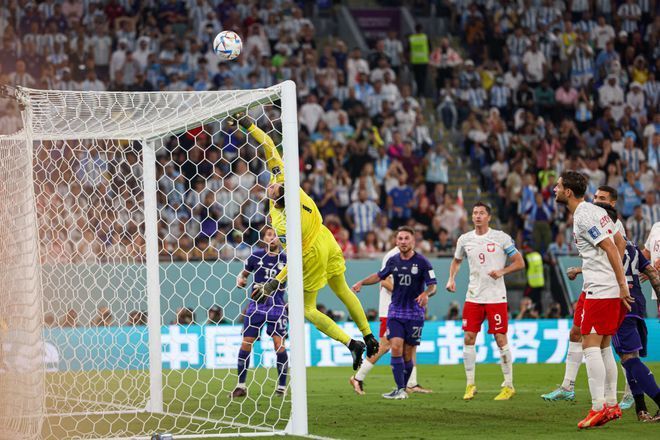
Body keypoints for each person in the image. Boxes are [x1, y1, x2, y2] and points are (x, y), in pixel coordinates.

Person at [234, 114, 379, 370]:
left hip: (310, 251)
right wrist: (249, 125)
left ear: (279, 201)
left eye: (275, 189)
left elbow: (295, 256)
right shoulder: (285, 180)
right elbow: (268, 144)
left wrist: (274, 282)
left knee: (307, 308)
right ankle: (368, 335)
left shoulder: (286, 223)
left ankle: (352, 343)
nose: (272, 186)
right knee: (341, 288)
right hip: (326, 237)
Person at [553, 171, 632, 429]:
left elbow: (610, 246)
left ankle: (598, 407)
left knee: (589, 345)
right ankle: (611, 404)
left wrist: (621, 284)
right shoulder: (596, 211)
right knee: (604, 346)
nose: (554, 189)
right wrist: (616, 278)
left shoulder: (583, 215)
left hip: (601, 289)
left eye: (558, 186)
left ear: (568, 192)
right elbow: (619, 241)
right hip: (603, 286)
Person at [446, 202, 525, 401]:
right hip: (473, 296)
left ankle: (509, 385)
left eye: (482, 213)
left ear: (489, 217)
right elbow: (457, 261)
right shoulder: (465, 239)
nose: (478, 216)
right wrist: (451, 278)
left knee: (500, 338)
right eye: (475, 213)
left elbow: (519, 262)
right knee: (468, 338)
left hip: (496, 297)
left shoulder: (501, 237)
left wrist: (502, 271)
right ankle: (470, 384)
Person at [351, 226, 437, 400]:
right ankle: (363, 379)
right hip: (393, 310)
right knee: (391, 346)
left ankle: (410, 383)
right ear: (395, 240)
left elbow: (432, 285)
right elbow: (382, 279)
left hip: (414, 313)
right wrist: (362, 282)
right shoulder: (392, 258)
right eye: (400, 238)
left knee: (408, 350)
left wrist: (424, 294)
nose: (403, 242)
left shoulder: (422, 262)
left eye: (406, 238)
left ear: (413, 241)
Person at [231, 226, 288, 398]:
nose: (272, 238)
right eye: (269, 235)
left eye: (275, 235)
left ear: (280, 239)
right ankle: (241, 386)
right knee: (246, 343)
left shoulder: (286, 259)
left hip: (277, 307)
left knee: (279, 345)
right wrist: (240, 280)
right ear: (264, 238)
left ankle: (282, 387)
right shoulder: (255, 256)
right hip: (256, 306)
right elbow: (243, 275)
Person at [615, 240, 660, 421]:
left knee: (629, 358)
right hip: (638, 305)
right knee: (629, 357)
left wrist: (579, 270)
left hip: (620, 303)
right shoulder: (631, 245)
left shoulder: (607, 243)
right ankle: (641, 410)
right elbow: (651, 272)